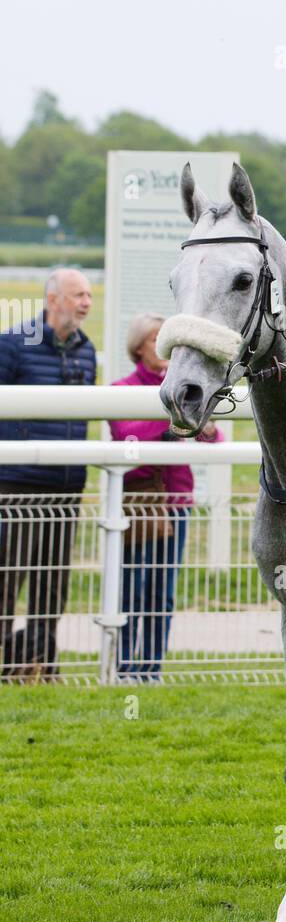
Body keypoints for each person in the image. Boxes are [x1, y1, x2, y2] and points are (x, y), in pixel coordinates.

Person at [109, 313, 224, 682]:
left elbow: (213, 437)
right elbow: (128, 435)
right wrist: (175, 414)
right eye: (157, 338)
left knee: (162, 592)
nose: (165, 346)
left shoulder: (185, 389)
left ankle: (152, 669)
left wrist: (199, 420)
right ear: (139, 345)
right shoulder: (121, 389)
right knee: (131, 587)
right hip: (138, 504)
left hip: (176, 503)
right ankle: (126, 667)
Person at [0, 268, 96, 681]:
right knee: (7, 579)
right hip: (18, 484)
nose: (87, 302)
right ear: (53, 299)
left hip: (66, 486)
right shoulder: (14, 344)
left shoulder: (86, 349)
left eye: (90, 295)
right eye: (78, 294)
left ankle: (40, 666)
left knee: (51, 584)